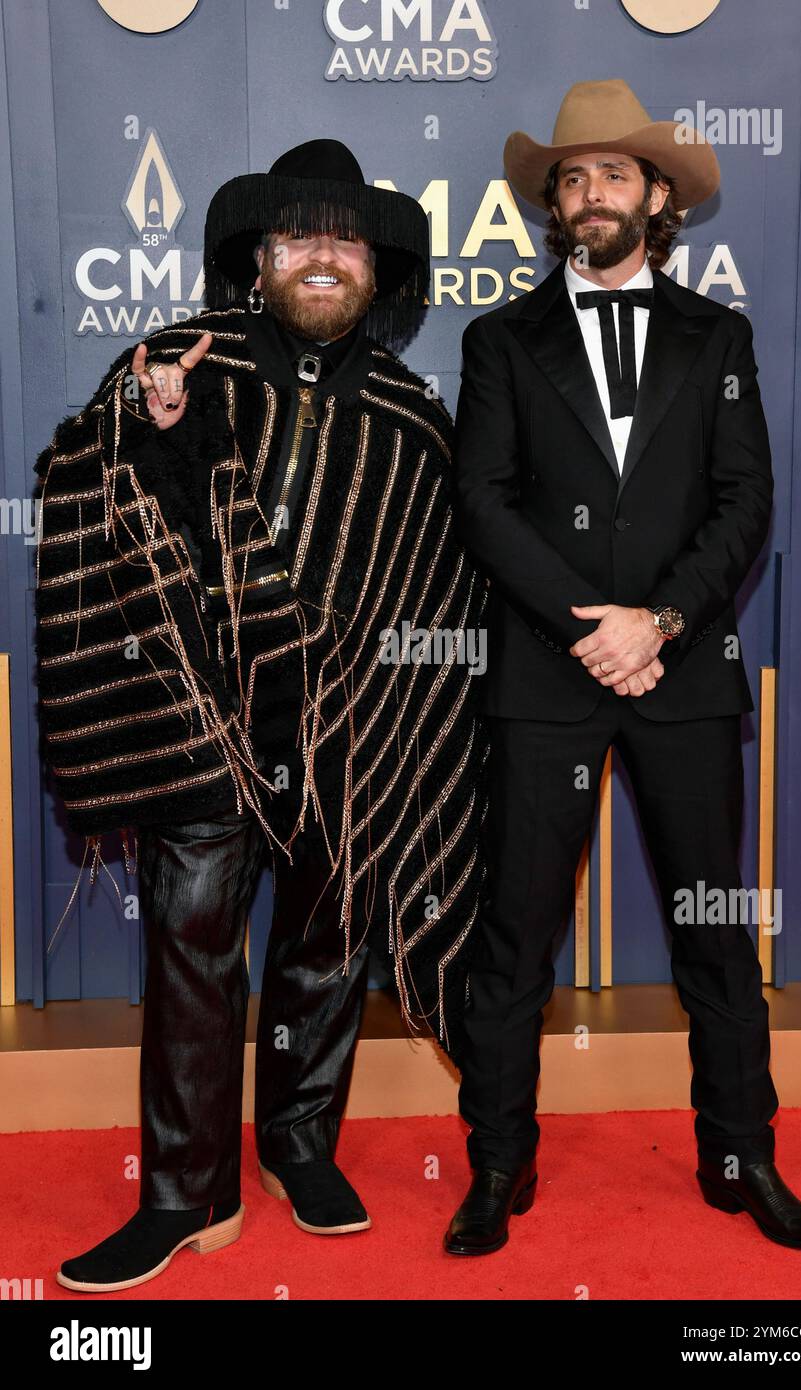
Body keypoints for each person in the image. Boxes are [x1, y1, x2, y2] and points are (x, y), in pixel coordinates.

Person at [34, 139, 487, 1291]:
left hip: (351, 730)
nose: (323, 256)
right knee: (191, 949)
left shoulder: (411, 419)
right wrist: (157, 430)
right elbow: (76, 479)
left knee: (326, 950)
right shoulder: (178, 364)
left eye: (346, 238)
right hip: (207, 730)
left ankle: (295, 1144)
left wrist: (391, 721)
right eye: (299, 238)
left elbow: (439, 587)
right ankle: (187, 1197)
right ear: (259, 259)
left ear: (375, 271)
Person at [445, 79, 801, 1255]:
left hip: (678, 670)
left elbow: (744, 501)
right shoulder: (496, 340)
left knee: (714, 937)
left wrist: (656, 621)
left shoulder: (717, 337)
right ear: (552, 205)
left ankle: (741, 1164)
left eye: (611, 174)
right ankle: (494, 1171)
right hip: (543, 673)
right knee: (512, 943)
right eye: (568, 178)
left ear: (655, 195)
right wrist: (591, 626)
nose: (587, 194)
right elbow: (482, 500)